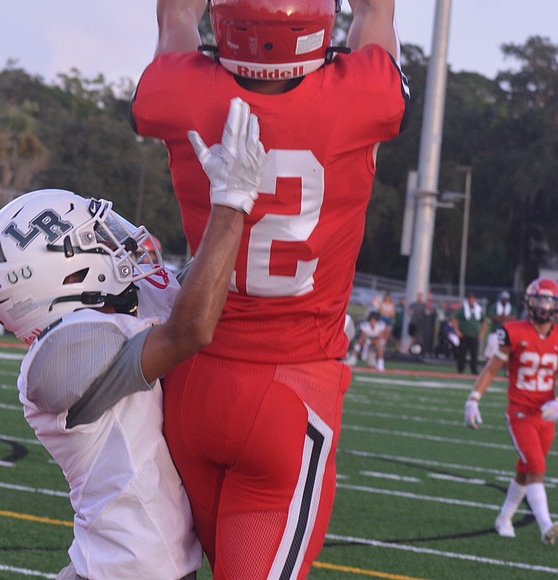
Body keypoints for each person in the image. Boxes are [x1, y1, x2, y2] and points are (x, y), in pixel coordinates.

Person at [130, 0, 409, 576]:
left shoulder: (181, 94)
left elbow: (176, 18)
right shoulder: (360, 98)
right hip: (291, 394)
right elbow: (377, 12)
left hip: (189, 381)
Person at [0, 98, 265, 580]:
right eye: (97, 237)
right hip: (133, 570)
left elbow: (200, 284)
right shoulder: (60, 357)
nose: (117, 241)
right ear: (63, 273)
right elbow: (188, 328)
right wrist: (231, 203)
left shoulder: (116, 309)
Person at [464, 277, 558, 544]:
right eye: (540, 299)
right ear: (529, 301)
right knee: (537, 466)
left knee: (524, 470)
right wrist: (473, 399)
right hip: (520, 413)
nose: (544, 305)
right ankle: (546, 526)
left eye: (550, 300)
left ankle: (504, 518)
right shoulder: (514, 331)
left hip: (546, 415)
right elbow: (492, 368)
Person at [451, 291, 486, 375]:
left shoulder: (478, 309)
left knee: (474, 354)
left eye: (473, 298)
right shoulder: (463, 309)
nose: (471, 300)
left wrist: (481, 333)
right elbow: (455, 319)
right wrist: (457, 331)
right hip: (464, 335)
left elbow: (484, 322)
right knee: (462, 354)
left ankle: (474, 370)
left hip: (474, 335)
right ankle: (460, 369)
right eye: (470, 298)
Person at [484, 290, 518, 360]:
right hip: (495, 331)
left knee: (506, 352)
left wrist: (500, 317)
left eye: (506, 299)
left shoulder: (512, 308)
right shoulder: (494, 306)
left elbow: (513, 318)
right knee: (491, 351)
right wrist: (506, 318)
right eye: (503, 298)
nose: (505, 300)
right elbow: (493, 317)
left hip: (507, 333)